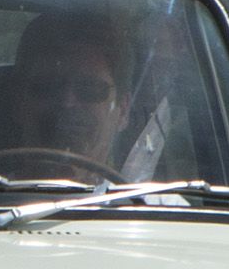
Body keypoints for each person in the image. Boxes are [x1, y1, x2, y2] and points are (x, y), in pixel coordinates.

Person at [11, 10, 137, 167]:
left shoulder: (149, 190)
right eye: (48, 87)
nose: (67, 102)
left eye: (89, 89)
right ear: (18, 102)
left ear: (123, 110)